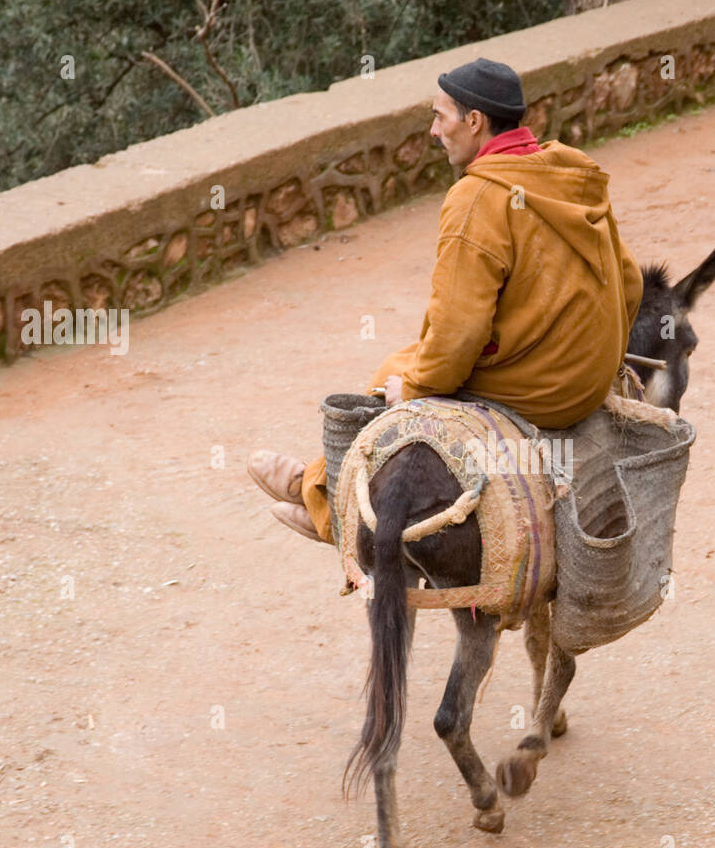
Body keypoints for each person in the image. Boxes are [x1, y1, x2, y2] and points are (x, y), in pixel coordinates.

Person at [249, 57, 643, 542]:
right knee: (418, 362)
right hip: (588, 379)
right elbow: (629, 283)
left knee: (395, 371)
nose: (434, 131)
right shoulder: (569, 173)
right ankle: (317, 483)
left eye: (440, 117)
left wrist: (413, 389)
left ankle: (331, 505)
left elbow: (459, 333)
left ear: (474, 121)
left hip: (540, 393)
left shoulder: (476, 197)